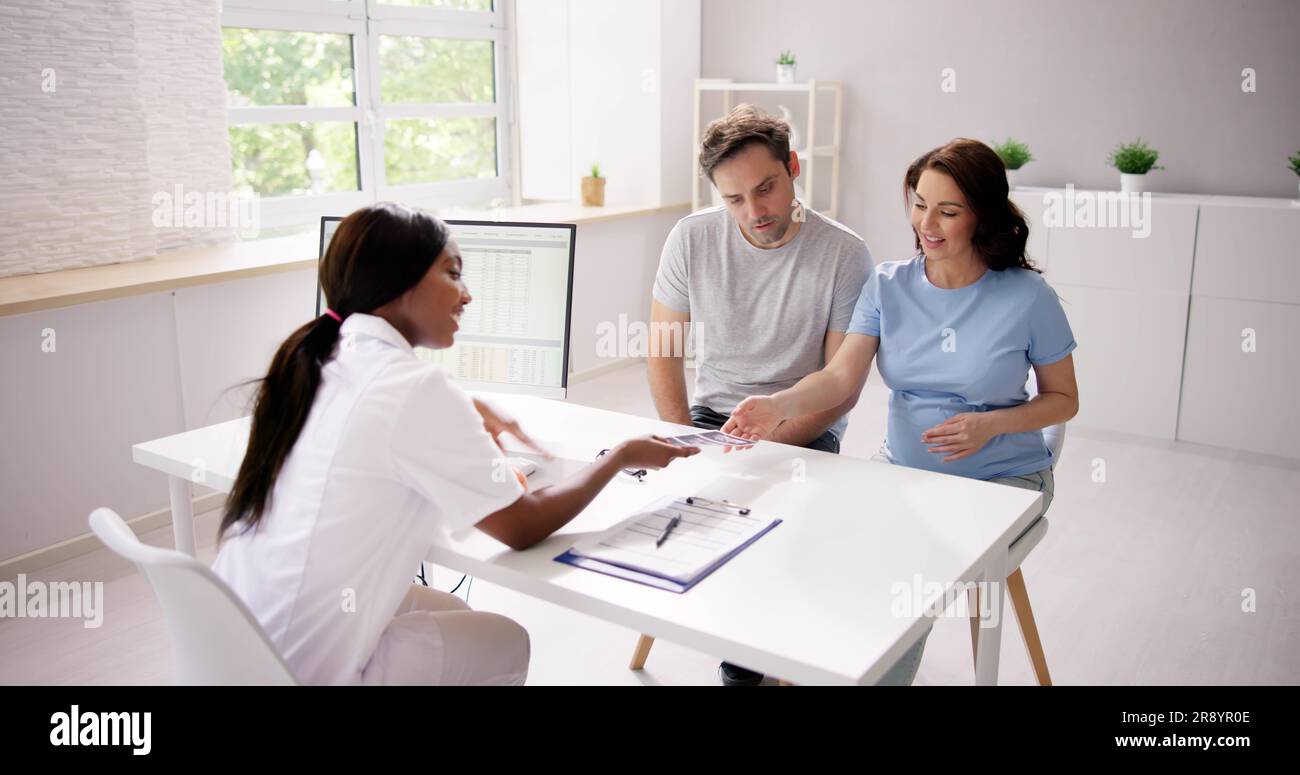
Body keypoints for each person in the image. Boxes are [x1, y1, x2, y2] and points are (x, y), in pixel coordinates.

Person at [213, 202, 699, 686]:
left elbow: (375, 429)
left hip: (238, 639)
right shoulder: (414, 389)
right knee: (506, 643)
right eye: (452, 273)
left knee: (451, 609)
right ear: (399, 282)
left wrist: (462, 409)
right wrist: (621, 455)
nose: (467, 295)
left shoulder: (317, 360)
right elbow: (521, 526)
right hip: (304, 670)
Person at [724, 138, 1079, 684]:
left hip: (1003, 481)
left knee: (911, 574)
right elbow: (841, 376)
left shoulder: (1028, 297)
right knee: (814, 541)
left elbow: (1064, 400)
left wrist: (993, 423)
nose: (926, 222)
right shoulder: (888, 285)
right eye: (918, 203)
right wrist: (776, 406)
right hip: (903, 474)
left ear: (981, 215)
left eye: (948, 210)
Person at [648, 104, 873, 685]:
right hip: (712, 417)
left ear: (793, 167)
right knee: (691, 506)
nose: (755, 211)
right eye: (734, 199)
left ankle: (748, 665)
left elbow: (839, 389)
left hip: (804, 421)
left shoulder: (845, 254)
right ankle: (744, 641)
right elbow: (663, 351)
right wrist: (685, 438)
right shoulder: (691, 238)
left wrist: (767, 441)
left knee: (768, 515)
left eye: (765, 189)